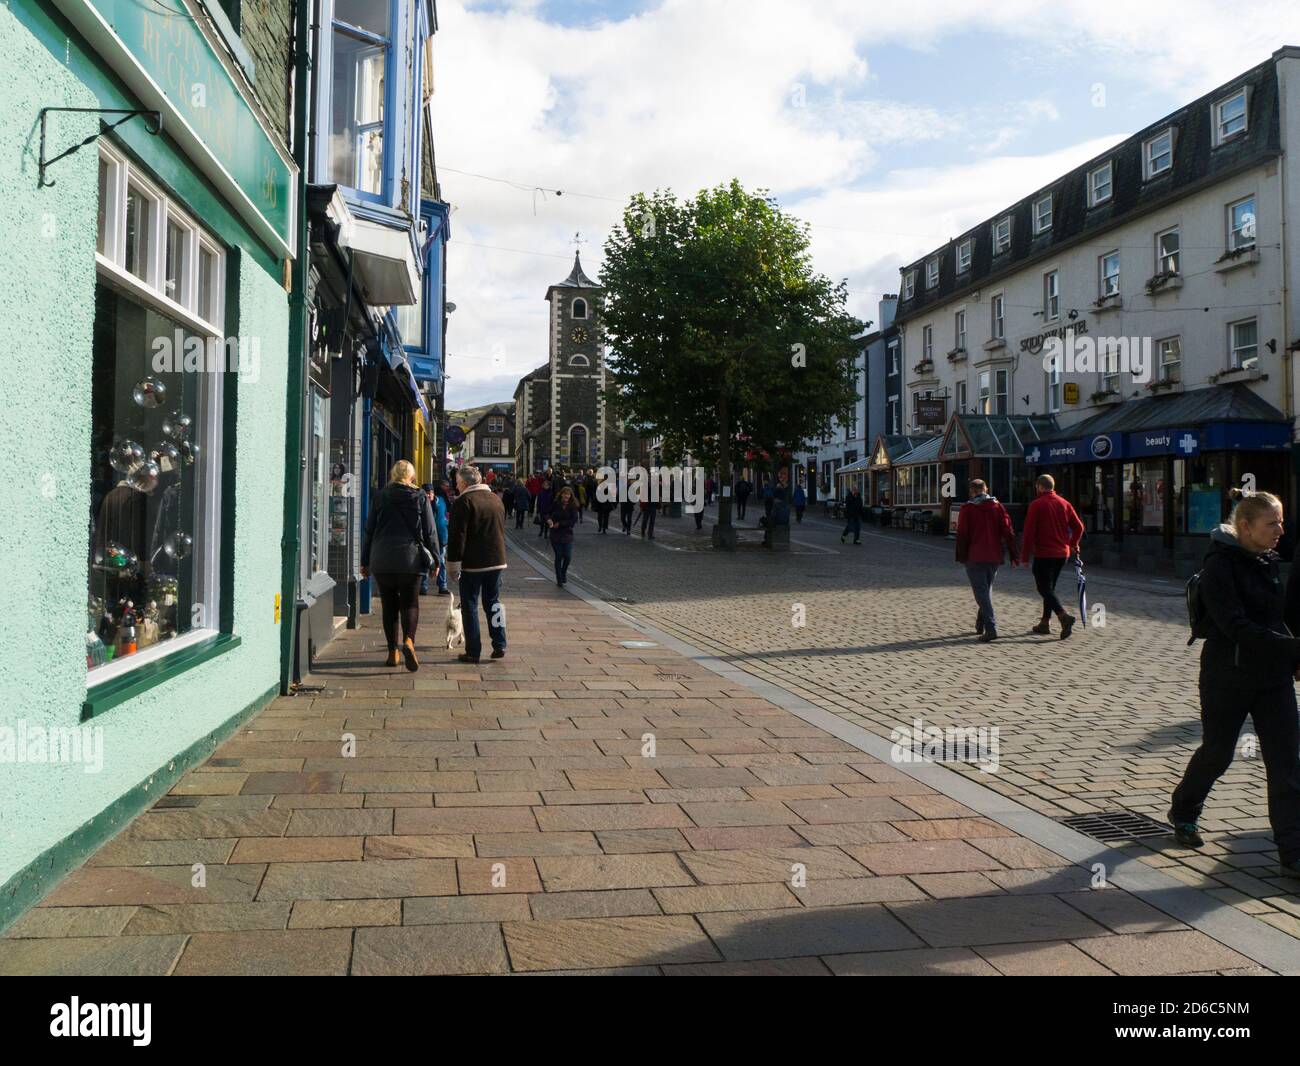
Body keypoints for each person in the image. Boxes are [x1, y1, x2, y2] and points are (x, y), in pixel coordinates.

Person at [1169, 489, 1300, 878]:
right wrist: (1292, 648)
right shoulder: (1219, 566)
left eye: (1281, 521)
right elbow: (1235, 626)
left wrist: (1292, 655)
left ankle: (1292, 853)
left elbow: (1276, 619)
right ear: (1245, 527)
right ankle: (1185, 809)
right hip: (1228, 676)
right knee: (1218, 752)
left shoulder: (1267, 559)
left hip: (1272, 678)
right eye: (1272, 523)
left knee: (1287, 764)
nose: (1281, 529)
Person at [360, 460, 440, 672]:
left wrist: (365, 561)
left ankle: (392, 652)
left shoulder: (380, 496)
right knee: (410, 604)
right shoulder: (420, 497)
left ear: (392, 475)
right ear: (411, 476)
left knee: (389, 606)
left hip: (382, 558)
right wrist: (436, 559)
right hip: (410, 559)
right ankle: (409, 641)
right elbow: (430, 531)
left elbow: (369, 530)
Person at [445, 463, 507, 663]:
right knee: (494, 603)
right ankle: (500, 643)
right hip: (497, 560)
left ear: (464, 482)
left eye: (457, 483)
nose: (456, 487)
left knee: (470, 605)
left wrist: (453, 565)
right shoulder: (495, 499)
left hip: (473, 563)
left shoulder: (464, 502)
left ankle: (473, 651)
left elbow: (457, 536)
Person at [1020, 473, 1084, 638]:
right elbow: (1079, 527)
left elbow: (1028, 532)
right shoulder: (1064, 503)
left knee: (1043, 588)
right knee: (1050, 588)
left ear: (1040, 487)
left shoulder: (1036, 504)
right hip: (1062, 553)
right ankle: (1044, 622)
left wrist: (1025, 556)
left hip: (1044, 553)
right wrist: (1073, 543)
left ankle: (1063, 616)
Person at [955, 479, 1019, 642]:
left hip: (974, 556)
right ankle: (980, 623)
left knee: (981, 592)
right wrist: (1013, 554)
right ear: (986, 489)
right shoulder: (998, 507)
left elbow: (962, 534)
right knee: (986, 590)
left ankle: (991, 627)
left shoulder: (967, 509)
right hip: (994, 556)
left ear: (972, 491)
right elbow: (1008, 531)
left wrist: (961, 556)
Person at [547, 485, 579, 585]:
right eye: (565, 494)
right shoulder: (556, 504)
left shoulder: (573, 506)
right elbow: (547, 513)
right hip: (555, 534)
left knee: (568, 556)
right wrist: (549, 520)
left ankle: (563, 573)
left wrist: (560, 524)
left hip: (567, 534)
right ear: (561, 495)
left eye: (568, 495)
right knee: (559, 556)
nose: (566, 496)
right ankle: (559, 579)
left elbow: (573, 520)